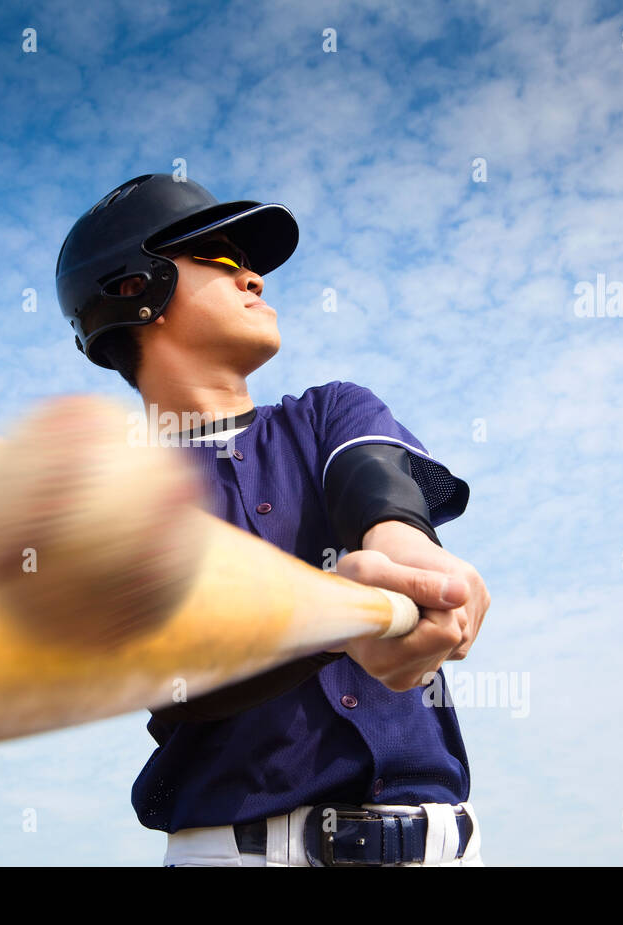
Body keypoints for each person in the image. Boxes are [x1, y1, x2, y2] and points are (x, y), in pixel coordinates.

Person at [55, 174, 490, 866]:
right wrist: (341, 621)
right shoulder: (115, 491)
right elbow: (183, 665)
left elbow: (378, 488)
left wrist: (409, 558)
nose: (253, 278)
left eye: (249, 264)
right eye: (220, 259)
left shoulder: (331, 411)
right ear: (134, 289)